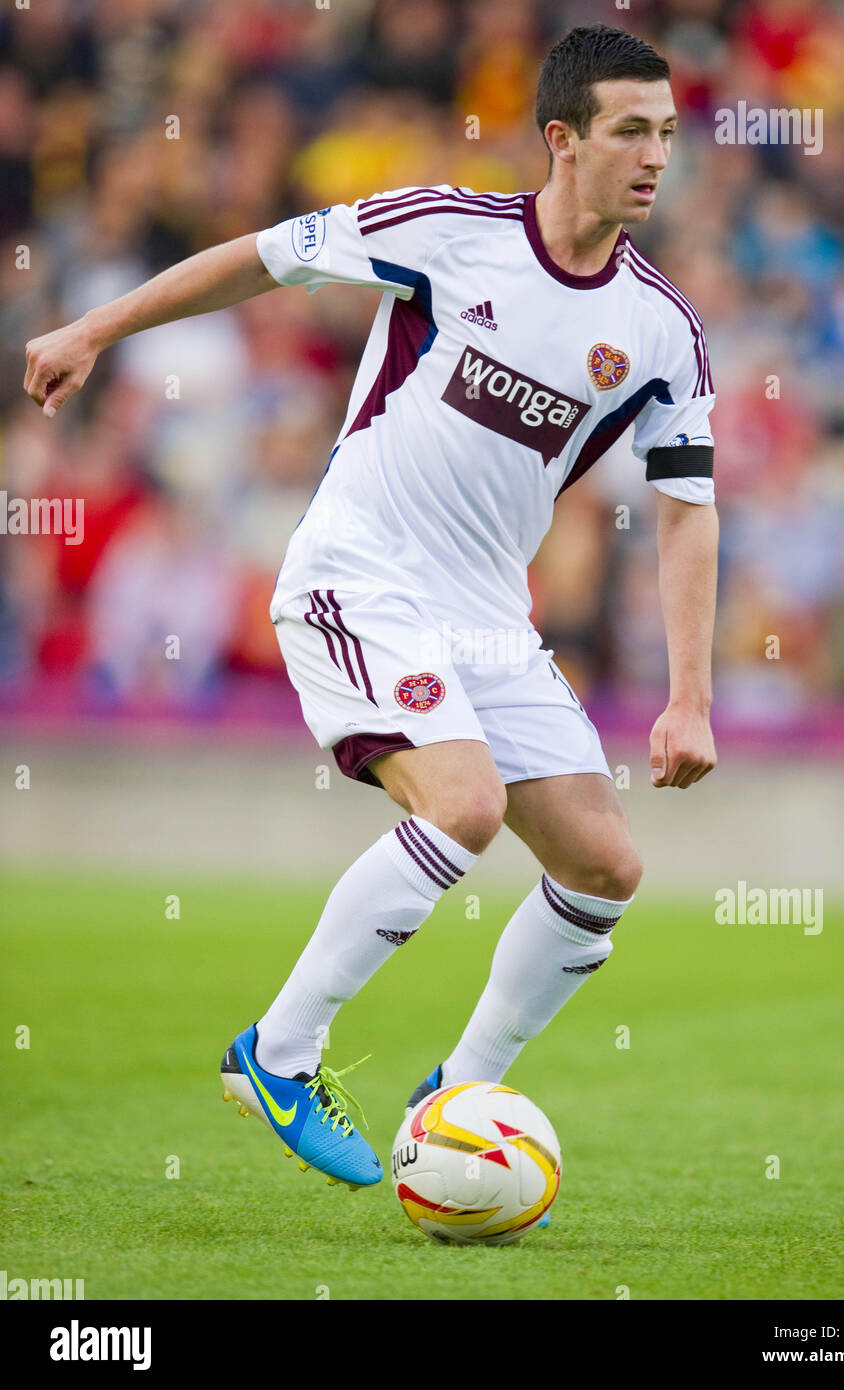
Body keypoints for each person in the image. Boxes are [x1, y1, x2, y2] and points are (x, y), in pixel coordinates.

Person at [23, 24, 718, 1198]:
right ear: (560, 138)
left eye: (665, 132)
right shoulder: (444, 229)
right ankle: (278, 1053)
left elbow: (687, 510)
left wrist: (689, 694)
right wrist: (96, 327)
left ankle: (457, 1095)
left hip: (487, 616)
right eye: (629, 131)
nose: (655, 155)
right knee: (464, 805)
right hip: (361, 572)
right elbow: (258, 259)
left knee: (603, 865)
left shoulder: (659, 330)